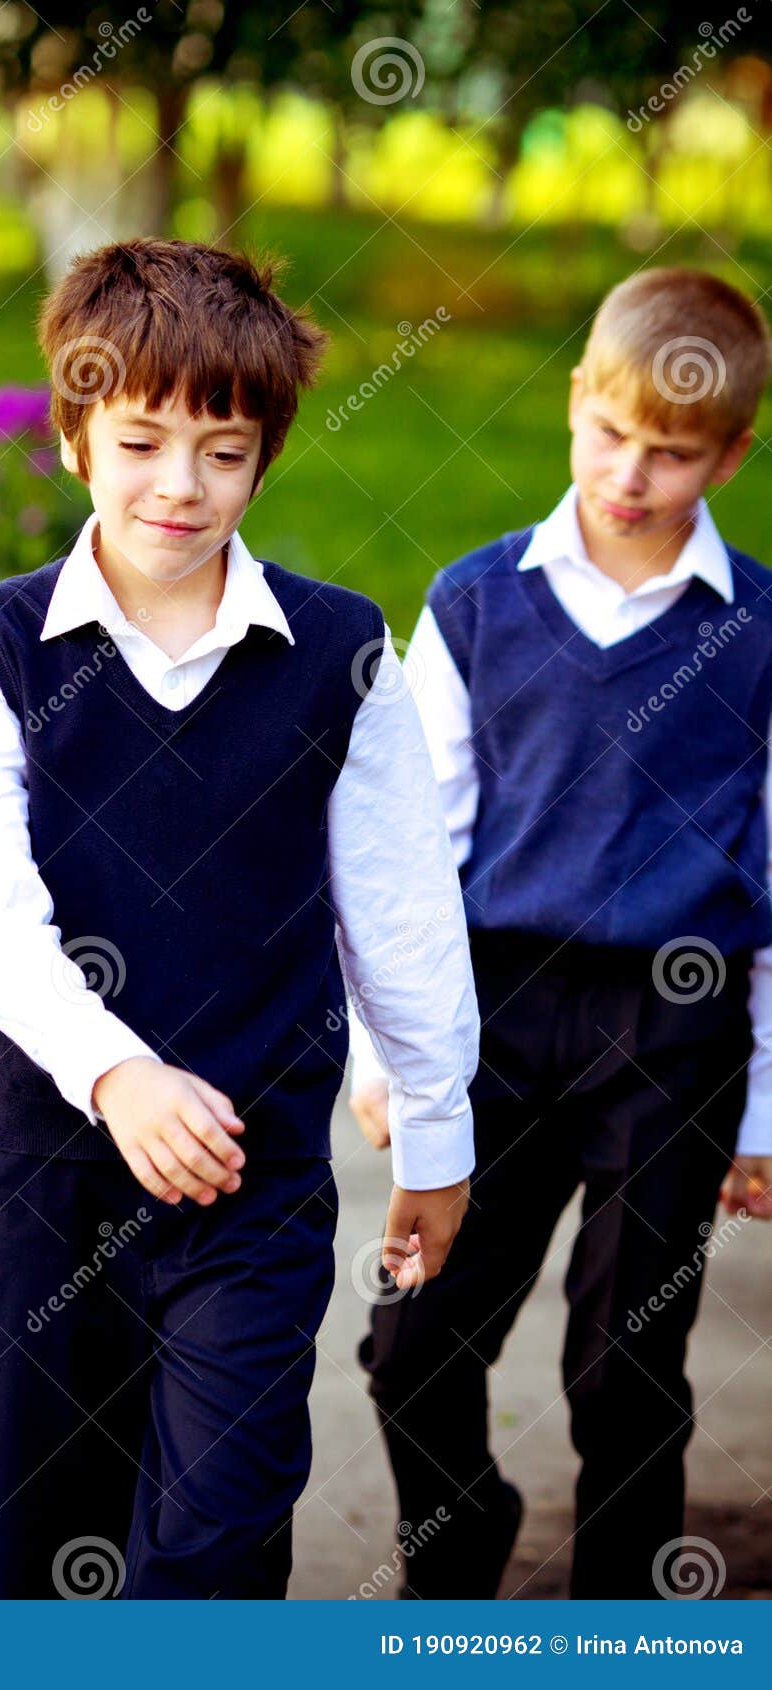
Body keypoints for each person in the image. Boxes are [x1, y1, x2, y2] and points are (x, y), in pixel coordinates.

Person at [0, 237, 479, 1600]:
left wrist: (439, 1132)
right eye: (143, 439)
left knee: (212, 1547)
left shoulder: (343, 656)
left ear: (265, 459)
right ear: (73, 440)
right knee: (46, 1565)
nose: (180, 484)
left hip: (255, 1196)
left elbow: (400, 909)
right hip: (45, 1198)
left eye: (222, 450)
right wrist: (113, 1070)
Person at [351, 267, 772, 1601]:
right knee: (411, 1343)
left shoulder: (755, 631)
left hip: (674, 1027)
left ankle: (623, 1624)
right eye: (611, 432)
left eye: (675, 451)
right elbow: (409, 858)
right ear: (576, 400)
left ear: (734, 452)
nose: (634, 473)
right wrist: (389, 1055)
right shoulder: (478, 604)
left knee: (625, 1362)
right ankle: (459, 1542)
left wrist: (763, 1106)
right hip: (494, 1019)